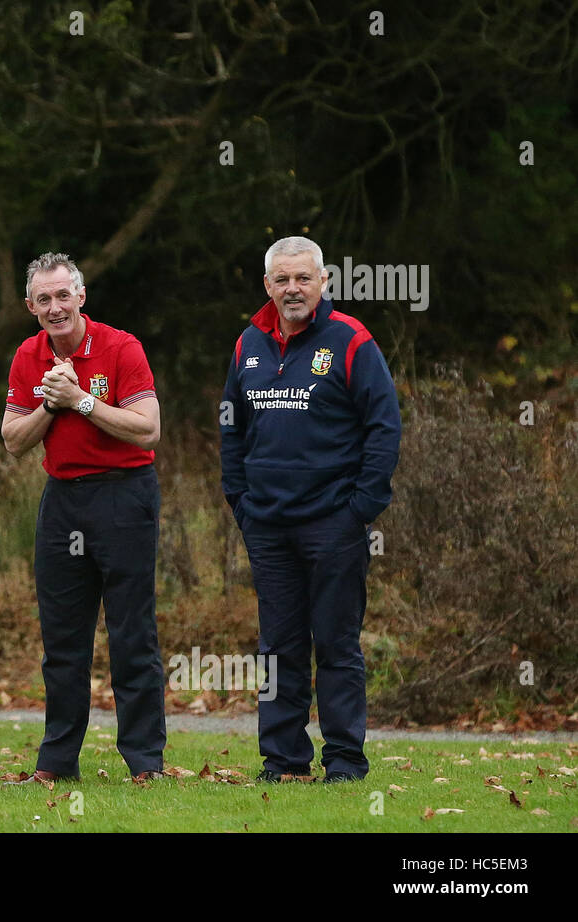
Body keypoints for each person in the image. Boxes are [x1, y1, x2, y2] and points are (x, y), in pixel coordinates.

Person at [220, 235, 401, 783]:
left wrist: (359, 508)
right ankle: (283, 761)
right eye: (283, 279)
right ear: (268, 286)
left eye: (304, 278)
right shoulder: (247, 344)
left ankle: (345, 762)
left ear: (324, 281)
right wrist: (242, 503)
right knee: (278, 649)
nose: (293, 288)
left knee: (336, 642)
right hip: (267, 525)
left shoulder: (351, 341)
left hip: (334, 523)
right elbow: (232, 427)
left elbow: (384, 425)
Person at [1, 252, 165, 784]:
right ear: (30, 306)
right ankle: (56, 763)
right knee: (63, 642)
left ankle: (145, 763)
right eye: (43, 299)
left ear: (81, 297)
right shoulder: (28, 356)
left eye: (63, 295)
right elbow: (12, 441)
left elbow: (147, 429)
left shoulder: (122, 347)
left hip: (124, 496)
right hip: (62, 500)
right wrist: (50, 404)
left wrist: (79, 400)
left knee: (131, 635)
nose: (55, 307)